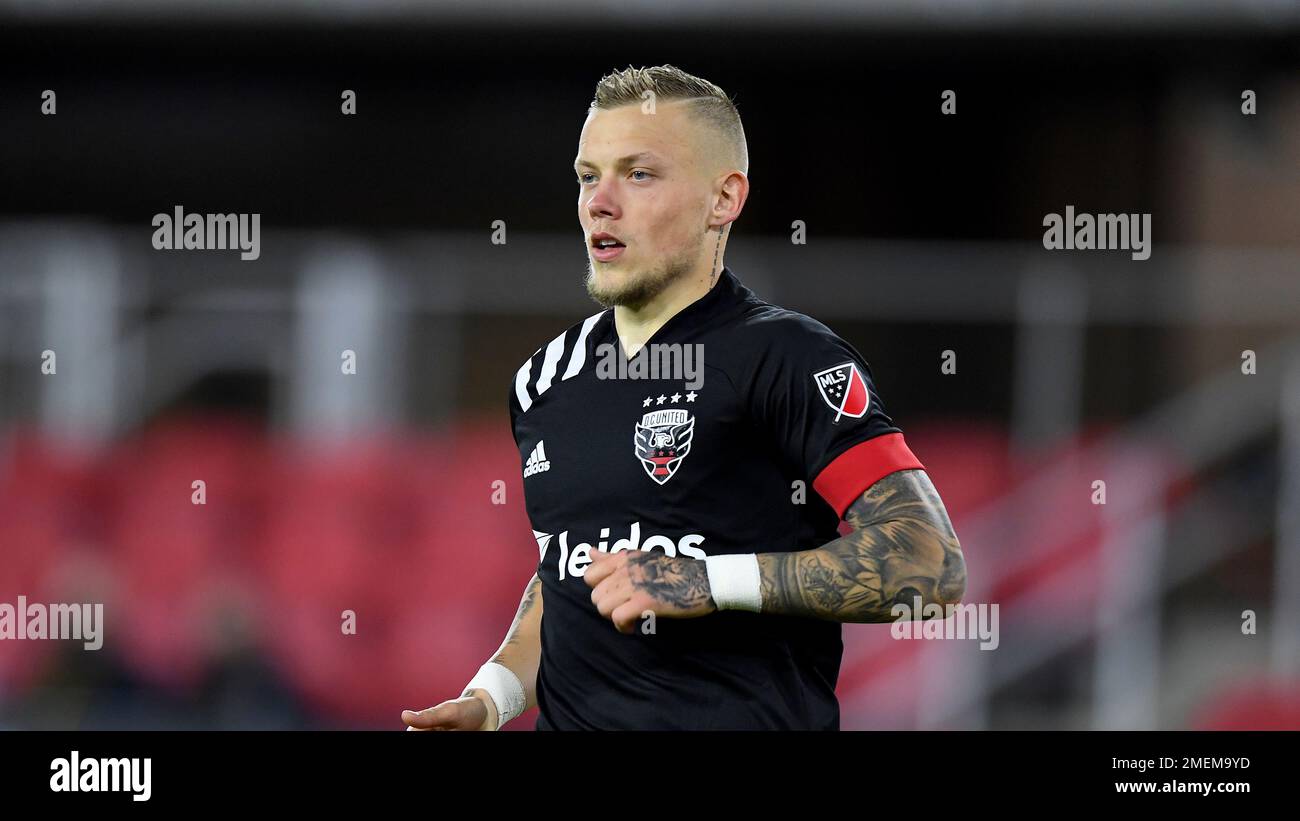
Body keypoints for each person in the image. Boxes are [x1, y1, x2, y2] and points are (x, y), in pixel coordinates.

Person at [403, 64, 966, 731]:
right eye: (589, 176)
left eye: (638, 174)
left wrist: (708, 581)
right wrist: (492, 696)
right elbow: (569, 574)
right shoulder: (543, 379)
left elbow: (928, 564)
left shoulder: (788, 359)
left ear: (723, 199)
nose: (599, 202)